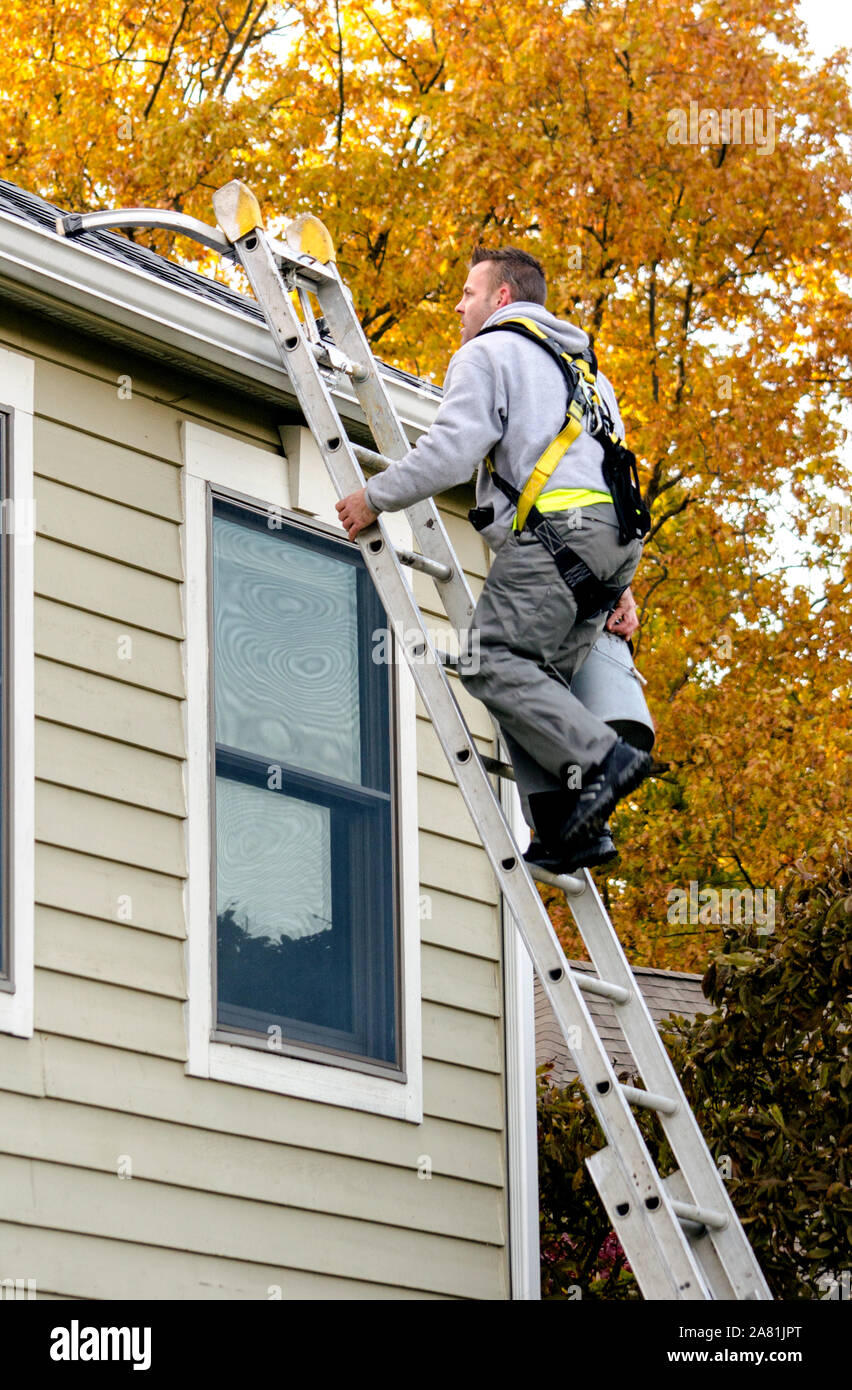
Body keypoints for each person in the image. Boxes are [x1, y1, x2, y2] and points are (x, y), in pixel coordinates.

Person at [336, 246, 652, 871]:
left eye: (469, 293)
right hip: (612, 543)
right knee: (532, 688)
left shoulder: (486, 352)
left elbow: (453, 452)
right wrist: (620, 586)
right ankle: (570, 829)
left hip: (558, 537)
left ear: (502, 299)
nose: (459, 305)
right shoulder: (588, 374)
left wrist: (373, 497)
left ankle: (603, 757)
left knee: (491, 660)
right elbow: (609, 472)